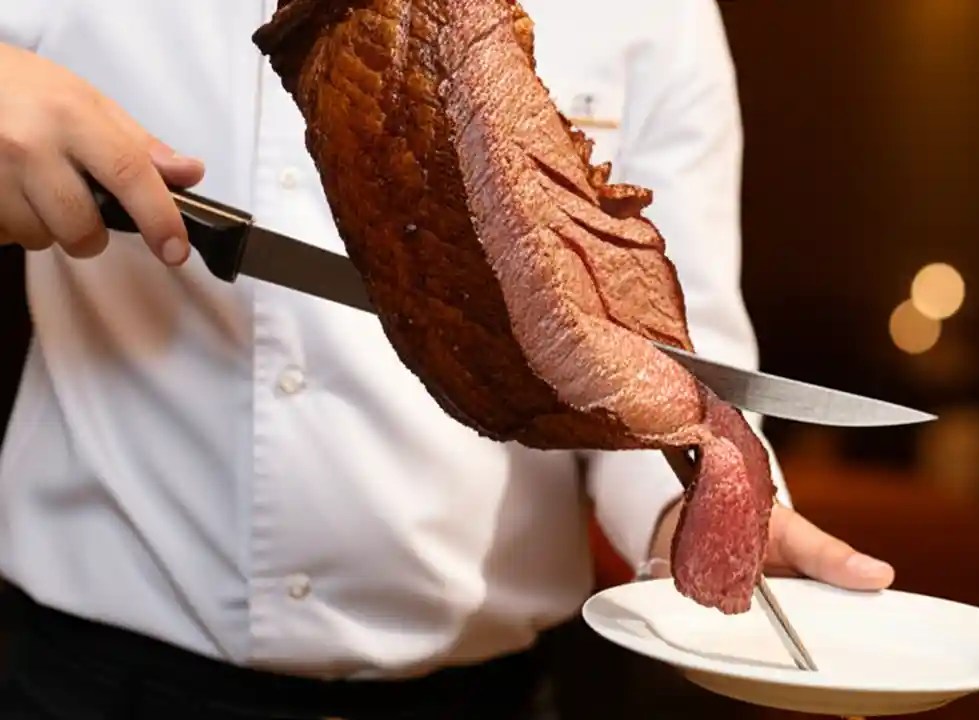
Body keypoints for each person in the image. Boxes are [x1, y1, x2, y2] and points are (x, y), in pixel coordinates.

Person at [0, 1, 895, 718]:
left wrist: (689, 512)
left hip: (484, 696)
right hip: (99, 682)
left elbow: (668, 351)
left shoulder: (661, 12)